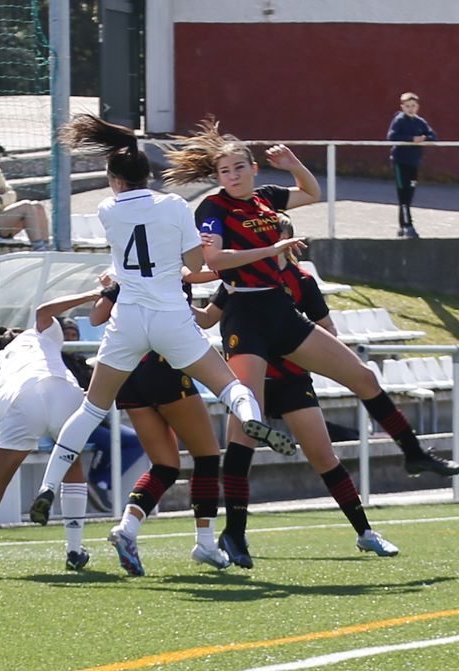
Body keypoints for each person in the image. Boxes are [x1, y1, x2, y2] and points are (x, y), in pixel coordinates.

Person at [28, 114, 293, 535]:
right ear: (150, 175)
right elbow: (194, 265)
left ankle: (47, 486)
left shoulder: (106, 208)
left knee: (91, 409)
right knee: (230, 386)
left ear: (114, 179)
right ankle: (249, 418)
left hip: (128, 319)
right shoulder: (173, 205)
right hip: (171, 316)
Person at [173, 117, 459, 505]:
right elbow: (217, 259)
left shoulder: (268, 198)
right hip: (245, 312)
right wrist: (272, 250)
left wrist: (294, 165)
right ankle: (234, 530)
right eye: (225, 171)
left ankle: (413, 453)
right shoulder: (212, 207)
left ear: (254, 169)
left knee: (363, 376)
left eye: (239, 167)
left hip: (278, 309)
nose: (233, 175)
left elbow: (311, 192)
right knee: (245, 424)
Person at [198, 215, 399, 567]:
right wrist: (176, 301)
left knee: (323, 456)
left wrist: (295, 341)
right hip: (251, 382)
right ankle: (234, 535)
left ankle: (366, 533)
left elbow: (326, 329)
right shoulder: (239, 278)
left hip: (291, 380)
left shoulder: (302, 281)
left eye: (276, 237)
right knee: (238, 448)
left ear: (290, 243)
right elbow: (206, 319)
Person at [0, 291, 102, 580]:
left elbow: (6, 406)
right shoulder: (39, 335)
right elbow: (44, 311)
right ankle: (74, 549)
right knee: (73, 465)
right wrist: (95, 294)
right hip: (65, 393)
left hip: (23, 401)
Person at [89, 278, 233, 575]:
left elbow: (96, 316)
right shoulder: (169, 264)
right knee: (206, 456)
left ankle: (127, 528)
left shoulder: (127, 267)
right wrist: (235, 271)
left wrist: (111, 288)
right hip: (163, 365)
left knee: (165, 465)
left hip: (128, 373)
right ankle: (205, 542)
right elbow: (201, 277)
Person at [57, 316, 147, 513]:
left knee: (136, 440)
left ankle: (101, 482)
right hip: (67, 421)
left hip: (96, 420)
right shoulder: (56, 363)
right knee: (109, 441)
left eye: (74, 335)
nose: (71, 339)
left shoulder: (82, 362)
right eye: (66, 335)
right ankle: (98, 481)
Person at [386, 92, 437, 239]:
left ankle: (403, 226)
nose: (410, 109)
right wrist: (411, 139)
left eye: (413, 106)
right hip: (400, 162)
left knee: (410, 193)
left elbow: (433, 136)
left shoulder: (420, 121)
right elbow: (392, 137)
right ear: (402, 107)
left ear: (418, 107)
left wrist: (424, 138)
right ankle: (407, 226)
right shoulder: (399, 120)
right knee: (403, 194)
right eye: (407, 106)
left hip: (413, 163)